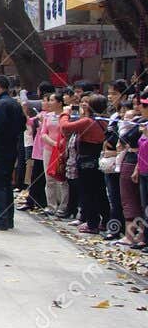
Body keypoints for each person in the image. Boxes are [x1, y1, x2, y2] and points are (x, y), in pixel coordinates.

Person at [57, 94, 109, 234]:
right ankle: (105, 221)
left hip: (86, 161)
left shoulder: (87, 121)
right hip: (97, 160)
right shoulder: (104, 121)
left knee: (88, 193)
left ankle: (92, 224)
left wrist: (65, 114)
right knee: (100, 192)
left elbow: (65, 127)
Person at [0, 75, 24, 231]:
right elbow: (22, 124)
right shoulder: (14, 103)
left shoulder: (1, 104)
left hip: (0, 148)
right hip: (12, 147)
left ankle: (0, 219)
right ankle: (8, 219)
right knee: (7, 184)